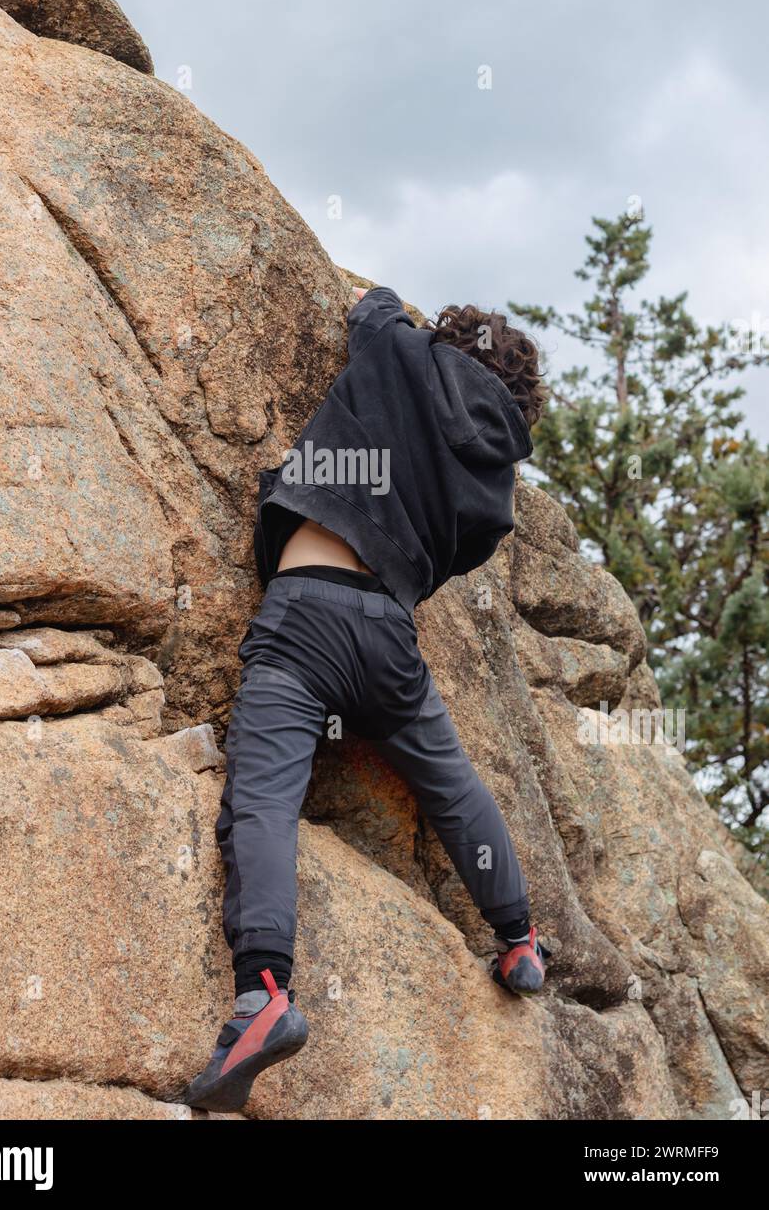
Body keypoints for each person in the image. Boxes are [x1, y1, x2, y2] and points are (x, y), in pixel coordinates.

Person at [185, 285, 549, 1112]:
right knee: (451, 787)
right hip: (389, 636)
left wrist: (392, 307)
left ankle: (263, 996)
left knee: (265, 798)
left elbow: (368, 305)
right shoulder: (495, 487)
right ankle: (520, 937)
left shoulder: (400, 350)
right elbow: (459, 552)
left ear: (453, 340)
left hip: (304, 611)